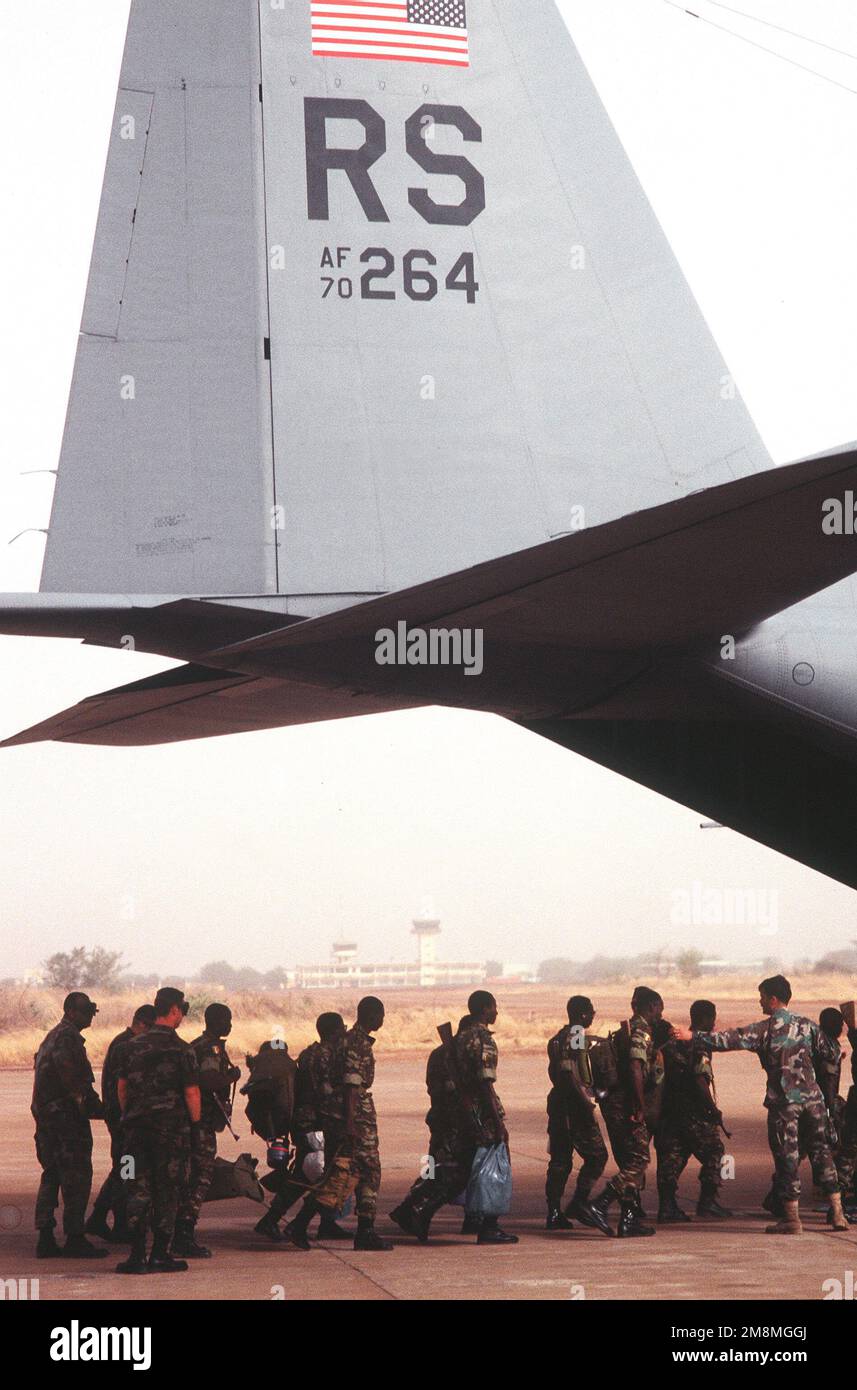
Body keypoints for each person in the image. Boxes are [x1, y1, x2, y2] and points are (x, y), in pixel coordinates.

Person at [677, 975, 849, 1234]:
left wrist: (692, 1036)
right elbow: (833, 1053)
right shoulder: (809, 1026)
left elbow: (729, 1039)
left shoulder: (765, 1029)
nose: (759, 1001)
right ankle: (837, 1213)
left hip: (784, 1106)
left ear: (773, 998)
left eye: (762, 996)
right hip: (813, 1103)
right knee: (822, 1153)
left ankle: (791, 1219)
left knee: (787, 1159)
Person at [286, 997, 392, 1251]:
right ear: (372, 1015)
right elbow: (351, 1086)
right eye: (381, 1015)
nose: (382, 1020)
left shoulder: (344, 1041)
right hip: (353, 1118)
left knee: (342, 1174)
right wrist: (351, 1123)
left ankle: (359, 1229)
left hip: (340, 1118)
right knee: (363, 1172)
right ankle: (359, 1230)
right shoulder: (357, 1043)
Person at [115, 987, 202, 1274]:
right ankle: (160, 1254)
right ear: (175, 1010)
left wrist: (131, 1116)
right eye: (181, 1012)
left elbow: (122, 1088)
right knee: (169, 1190)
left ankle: (136, 1255)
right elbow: (191, 1093)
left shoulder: (131, 1046)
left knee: (135, 1187)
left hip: (135, 1134)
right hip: (171, 1134)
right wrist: (196, 1127)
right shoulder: (182, 1049)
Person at [255, 1012, 349, 1241]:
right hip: (316, 1123)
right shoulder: (327, 1056)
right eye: (342, 1028)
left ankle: (318, 1222)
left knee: (309, 1174)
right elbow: (326, 1093)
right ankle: (293, 1223)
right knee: (320, 1174)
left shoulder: (309, 1053)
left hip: (305, 1122)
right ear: (335, 1031)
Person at [389, 1015, 481, 1242]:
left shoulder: (441, 1054)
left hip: (441, 1120)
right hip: (453, 1123)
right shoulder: (452, 1056)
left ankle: (410, 1209)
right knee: (451, 1172)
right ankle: (417, 1211)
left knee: (434, 1168)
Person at [32, 992, 108, 1259]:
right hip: (65, 1123)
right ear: (70, 1011)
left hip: (47, 1121)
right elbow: (75, 1085)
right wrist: (103, 1111)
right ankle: (74, 1237)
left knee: (51, 1175)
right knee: (76, 1177)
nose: (89, 1016)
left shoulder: (52, 1037)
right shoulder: (67, 1039)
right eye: (85, 1010)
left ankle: (46, 1235)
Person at [589, 985, 664, 1237]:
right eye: (659, 1009)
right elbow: (635, 1067)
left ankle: (628, 1219)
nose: (660, 1015)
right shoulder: (641, 1030)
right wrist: (640, 1105)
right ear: (652, 1006)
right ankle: (599, 1204)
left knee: (629, 1160)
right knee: (639, 1160)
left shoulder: (623, 1030)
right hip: (627, 1105)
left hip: (614, 1105)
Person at [173, 1002, 241, 1259]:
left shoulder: (196, 1044)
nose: (230, 1025)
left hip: (192, 1122)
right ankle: (184, 1234)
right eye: (227, 1019)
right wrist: (232, 1076)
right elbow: (209, 1081)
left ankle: (177, 1231)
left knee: (190, 1176)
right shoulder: (211, 1048)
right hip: (201, 1124)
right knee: (200, 1177)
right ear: (215, 1021)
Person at [86, 1003, 156, 1243]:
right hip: (123, 1123)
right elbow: (123, 1087)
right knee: (125, 1170)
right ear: (142, 1024)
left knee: (125, 1169)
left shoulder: (122, 1043)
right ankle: (101, 1216)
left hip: (120, 1120)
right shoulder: (126, 1046)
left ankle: (113, 1221)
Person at [655, 999, 731, 1223]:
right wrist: (713, 1109)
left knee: (673, 1158)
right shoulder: (699, 1045)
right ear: (708, 1018)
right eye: (712, 1017)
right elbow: (699, 1079)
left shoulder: (672, 1043)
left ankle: (667, 1207)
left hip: (670, 1110)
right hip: (693, 1112)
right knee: (715, 1152)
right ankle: (707, 1202)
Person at [452, 990, 518, 1245]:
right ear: (485, 1009)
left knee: (473, 1166)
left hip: (464, 1110)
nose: (496, 1012)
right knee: (496, 1166)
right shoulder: (483, 1039)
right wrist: (497, 1122)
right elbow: (484, 1083)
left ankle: (473, 1217)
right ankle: (489, 1226)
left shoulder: (460, 1039)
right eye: (494, 1007)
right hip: (483, 1110)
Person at [544, 996, 609, 1231]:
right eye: (591, 1012)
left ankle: (553, 1212)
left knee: (560, 1161)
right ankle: (579, 1202)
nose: (593, 1016)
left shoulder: (557, 1038)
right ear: (582, 1015)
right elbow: (567, 1074)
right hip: (574, 1107)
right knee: (598, 1156)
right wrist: (586, 1103)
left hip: (559, 1106)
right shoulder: (578, 1035)